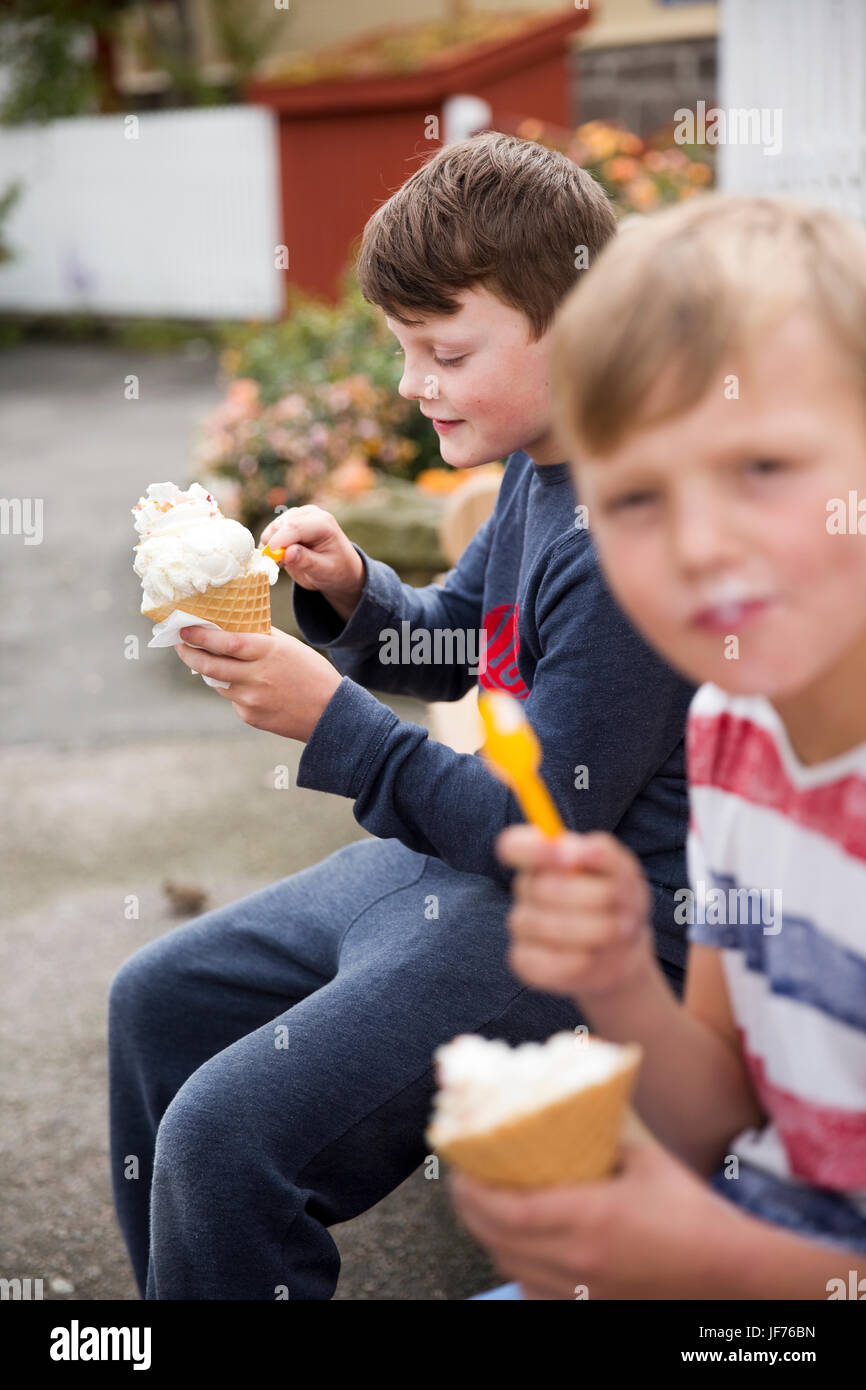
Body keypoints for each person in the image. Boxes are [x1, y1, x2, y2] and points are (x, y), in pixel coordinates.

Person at [108, 132, 694, 1300]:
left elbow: (542, 833)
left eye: (444, 351)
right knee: (155, 1000)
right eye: (401, 349)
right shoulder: (541, 460)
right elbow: (460, 639)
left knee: (225, 1142)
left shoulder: (638, 532)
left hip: (595, 923)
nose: (411, 383)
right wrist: (354, 591)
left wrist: (335, 725)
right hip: (472, 867)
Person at [453, 194, 866, 1300]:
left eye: (761, 469)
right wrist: (620, 978)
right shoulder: (729, 731)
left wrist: (708, 1265)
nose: (693, 546)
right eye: (630, 496)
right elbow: (721, 1112)